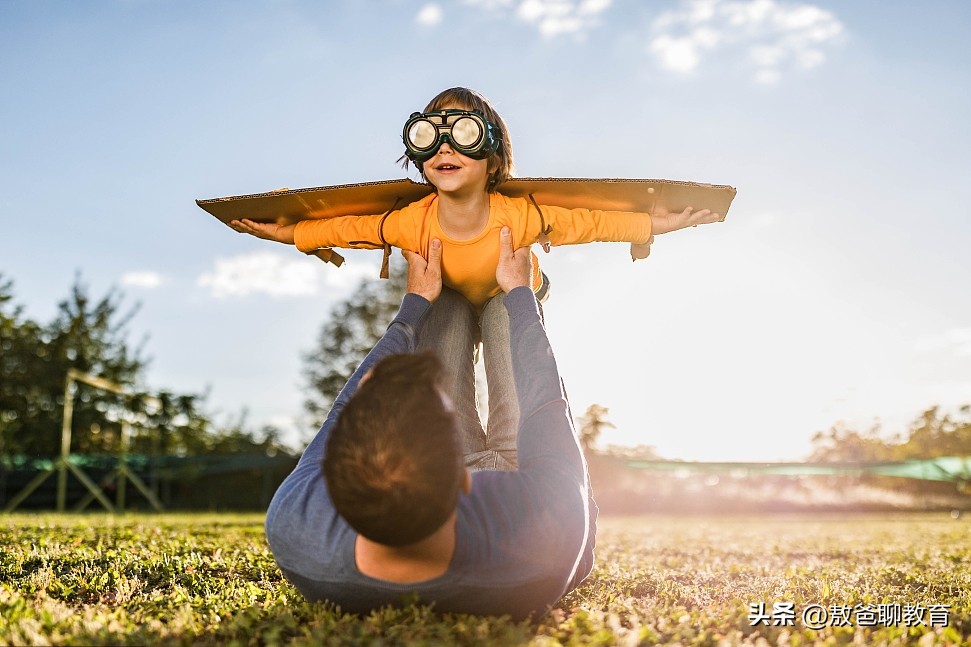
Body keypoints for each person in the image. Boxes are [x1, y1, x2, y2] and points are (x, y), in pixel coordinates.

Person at [231, 87, 720, 470]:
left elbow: (590, 222)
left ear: (491, 153)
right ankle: (463, 460)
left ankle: (509, 460)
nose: (445, 145)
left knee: (508, 337)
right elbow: (350, 230)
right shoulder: (412, 220)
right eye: (430, 134)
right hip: (447, 295)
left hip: (508, 291)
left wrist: (655, 224)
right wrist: (290, 233)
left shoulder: (520, 214)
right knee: (441, 328)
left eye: (461, 132)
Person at [264, 227, 597, 620]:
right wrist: (521, 295)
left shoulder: (296, 521)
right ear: (465, 481)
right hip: (525, 508)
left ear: (334, 478)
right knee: (503, 312)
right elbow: (545, 399)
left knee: (447, 309)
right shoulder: (552, 526)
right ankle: (495, 299)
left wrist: (419, 303)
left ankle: (452, 298)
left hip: (490, 510)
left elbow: (345, 412)